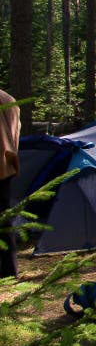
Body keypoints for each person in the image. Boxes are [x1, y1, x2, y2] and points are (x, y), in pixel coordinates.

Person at [0, 89, 20, 278]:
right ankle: (9, 269)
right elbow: (15, 133)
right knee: (5, 221)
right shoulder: (8, 98)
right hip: (7, 165)